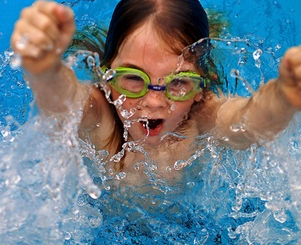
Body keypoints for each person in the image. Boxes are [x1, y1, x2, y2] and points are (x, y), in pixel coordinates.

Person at [11, 0, 301, 184]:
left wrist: (284, 96)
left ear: (201, 86)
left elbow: (247, 123)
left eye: (178, 83)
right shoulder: (100, 113)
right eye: (134, 78)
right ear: (107, 74)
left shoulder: (203, 115)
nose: (153, 101)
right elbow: (63, 103)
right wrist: (44, 68)